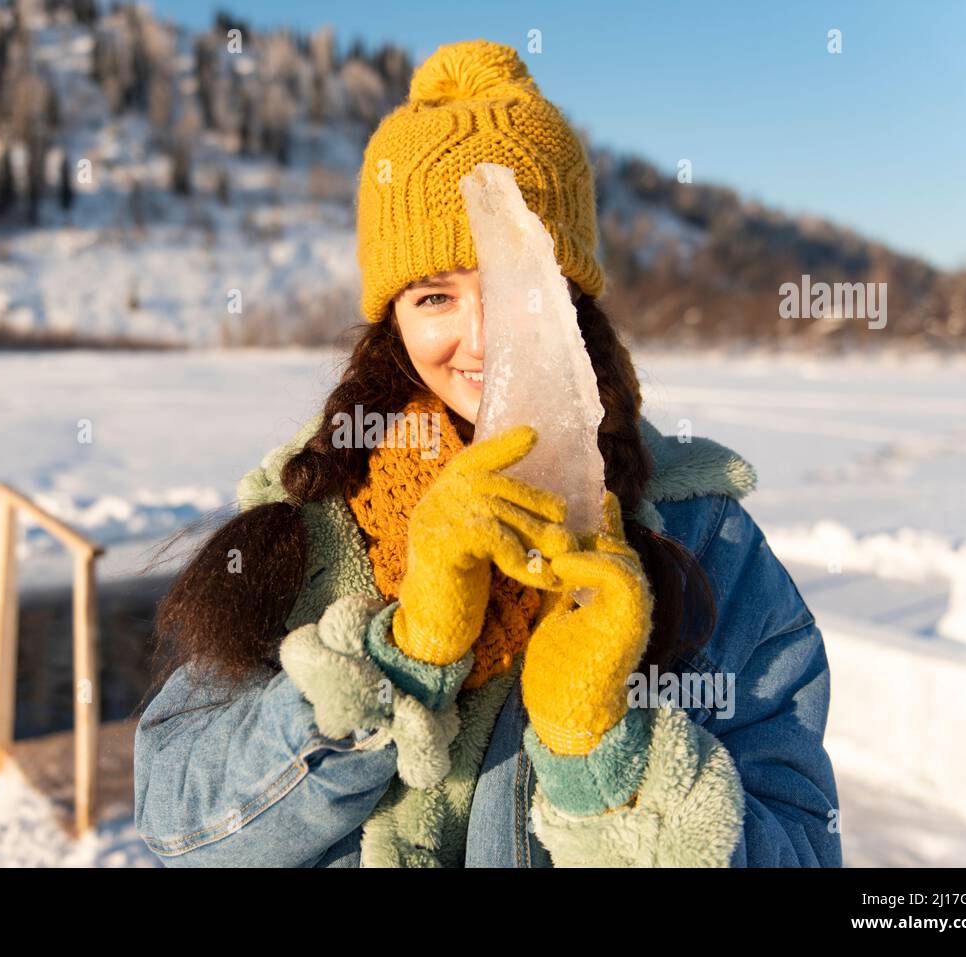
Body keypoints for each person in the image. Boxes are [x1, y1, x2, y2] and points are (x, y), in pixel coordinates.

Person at [133, 39, 841, 867]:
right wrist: (400, 655)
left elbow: (803, 843)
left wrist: (602, 756)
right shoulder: (310, 516)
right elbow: (178, 824)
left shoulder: (702, 534)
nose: (485, 337)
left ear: (569, 297)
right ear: (392, 317)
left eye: (518, 286)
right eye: (436, 295)